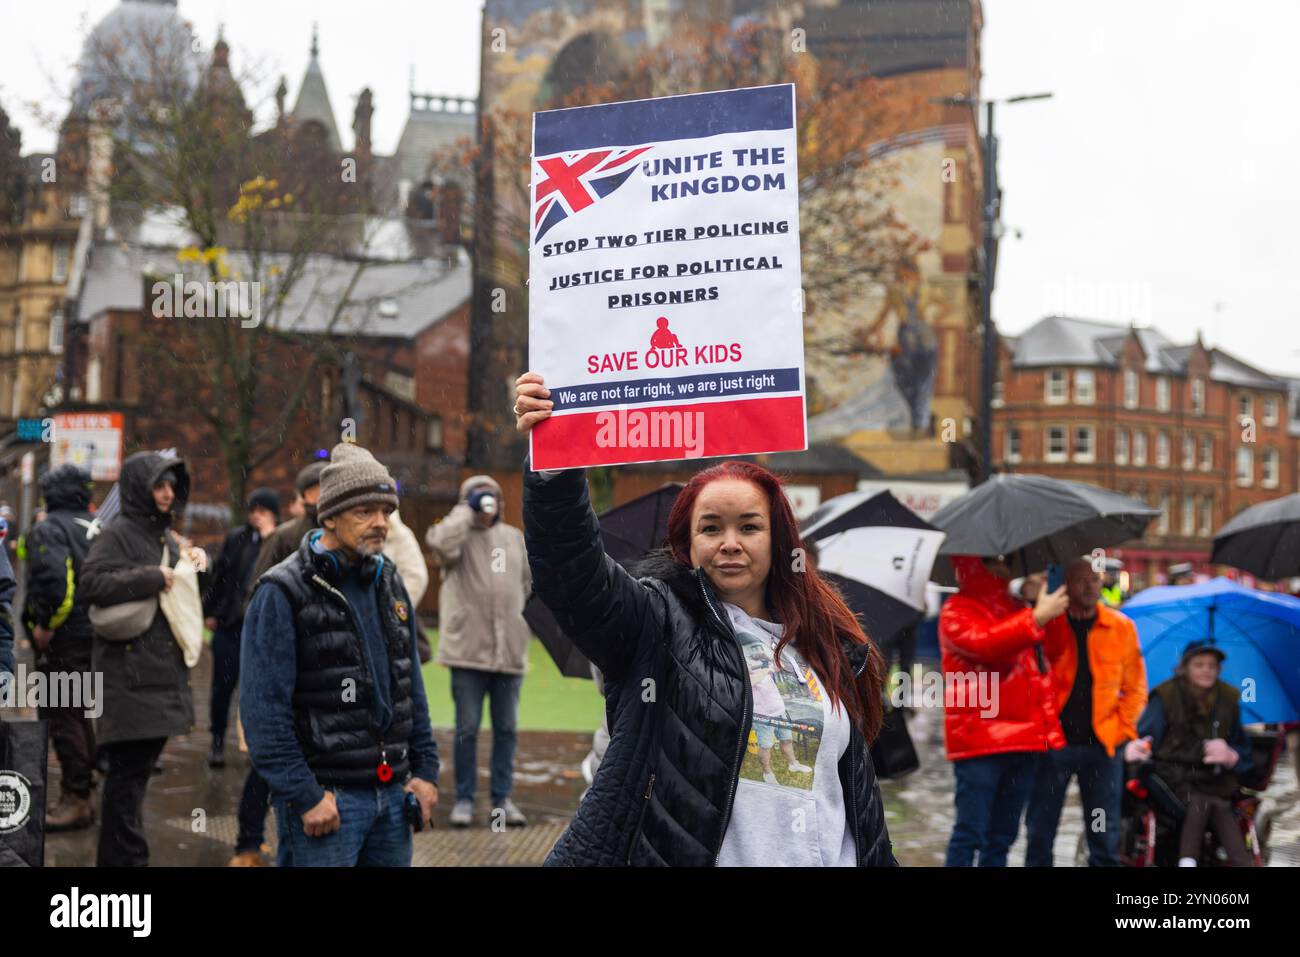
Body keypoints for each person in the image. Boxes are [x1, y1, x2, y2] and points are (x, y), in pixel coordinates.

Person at [514, 371, 895, 866]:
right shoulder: (658, 622)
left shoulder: (826, 645)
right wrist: (555, 461)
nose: (730, 543)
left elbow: (855, 809)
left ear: (778, 540)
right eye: (711, 528)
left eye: (749, 527)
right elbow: (574, 575)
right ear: (687, 546)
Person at [241, 443, 439, 867]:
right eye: (364, 511)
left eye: (386, 511)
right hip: (327, 803)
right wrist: (306, 795)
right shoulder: (282, 591)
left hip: (393, 796)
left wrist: (425, 772)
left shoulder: (391, 581)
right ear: (328, 516)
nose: (380, 523)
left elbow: (411, 688)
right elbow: (263, 711)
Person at [81, 453, 196, 867]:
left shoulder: (163, 537)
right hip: (128, 681)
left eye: (171, 486)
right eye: (158, 486)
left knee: (133, 781)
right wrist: (151, 576)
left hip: (155, 678)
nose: (167, 494)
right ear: (139, 489)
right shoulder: (120, 534)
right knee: (126, 784)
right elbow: (90, 584)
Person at [940, 555, 1068, 867]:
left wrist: (1042, 607)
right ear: (972, 564)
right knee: (970, 833)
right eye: (990, 561)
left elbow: (1056, 650)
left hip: (1024, 738)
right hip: (979, 741)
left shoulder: (1018, 606)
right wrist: (1035, 617)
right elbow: (985, 646)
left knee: (1003, 837)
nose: (1002, 567)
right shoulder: (956, 611)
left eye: (1005, 560)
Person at [226, 462, 325, 866]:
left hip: (324, 677)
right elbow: (257, 597)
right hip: (286, 673)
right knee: (266, 761)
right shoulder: (286, 539)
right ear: (304, 498)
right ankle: (248, 842)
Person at [1025, 557, 1147, 866]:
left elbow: (1135, 688)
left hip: (1103, 746)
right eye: (1081, 579)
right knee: (1041, 831)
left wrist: (1121, 730)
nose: (1091, 585)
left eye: (1095, 579)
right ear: (1065, 585)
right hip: (1055, 745)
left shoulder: (1120, 627)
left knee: (1103, 834)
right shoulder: (1050, 625)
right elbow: (1031, 677)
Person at [426, 475, 531, 829]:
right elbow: (437, 541)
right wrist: (464, 510)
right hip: (467, 652)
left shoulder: (514, 539)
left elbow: (528, 586)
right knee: (466, 729)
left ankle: (502, 799)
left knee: (507, 729)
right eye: (481, 498)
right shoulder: (455, 539)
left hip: (509, 653)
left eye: (493, 498)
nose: (489, 504)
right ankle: (465, 800)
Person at [1127, 642, 1255, 867]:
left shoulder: (1228, 698)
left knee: (1214, 800)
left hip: (1213, 779)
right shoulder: (1165, 696)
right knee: (1207, 800)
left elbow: (1243, 750)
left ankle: (1194, 861)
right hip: (1172, 777)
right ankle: (1235, 862)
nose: (1206, 670)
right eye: (1199, 665)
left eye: (1212, 665)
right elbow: (1147, 740)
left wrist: (1230, 754)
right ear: (1185, 667)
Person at [22, 465, 99, 831]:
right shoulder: (97, 526)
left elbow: (56, 583)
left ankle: (76, 797)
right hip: (96, 635)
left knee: (62, 717)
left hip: (65, 639)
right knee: (82, 715)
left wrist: (46, 625)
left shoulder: (50, 528)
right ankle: (88, 788)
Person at [202, 487, 279, 769]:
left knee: (257, 690)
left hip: (261, 630)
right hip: (231, 624)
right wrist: (210, 611)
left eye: (264, 511)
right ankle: (217, 741)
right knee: (221, 687)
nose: (257, 516)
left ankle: (254, 743)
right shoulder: (238, 538)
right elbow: (220, 575)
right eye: (254, 511)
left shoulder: (278, 540)